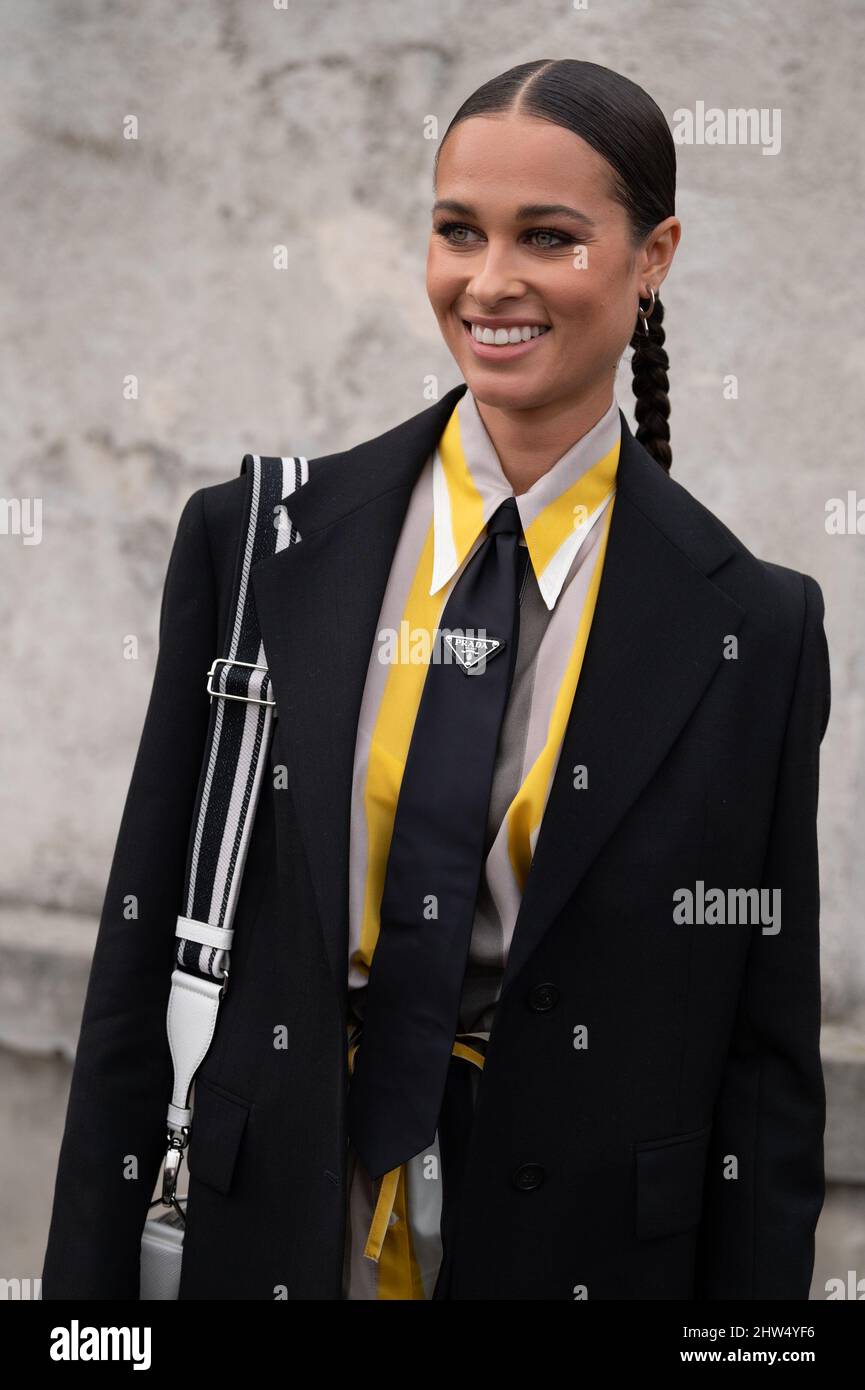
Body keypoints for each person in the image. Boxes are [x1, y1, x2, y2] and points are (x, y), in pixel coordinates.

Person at [41, 58, 830, 1301]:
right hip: (276, 1241)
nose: (490, 280)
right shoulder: (258, 543)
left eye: (549, 237)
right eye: (458, 230)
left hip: (585, 1257)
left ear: (655, 254)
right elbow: (135, 974)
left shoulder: (757, 630)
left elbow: (764, 1069)